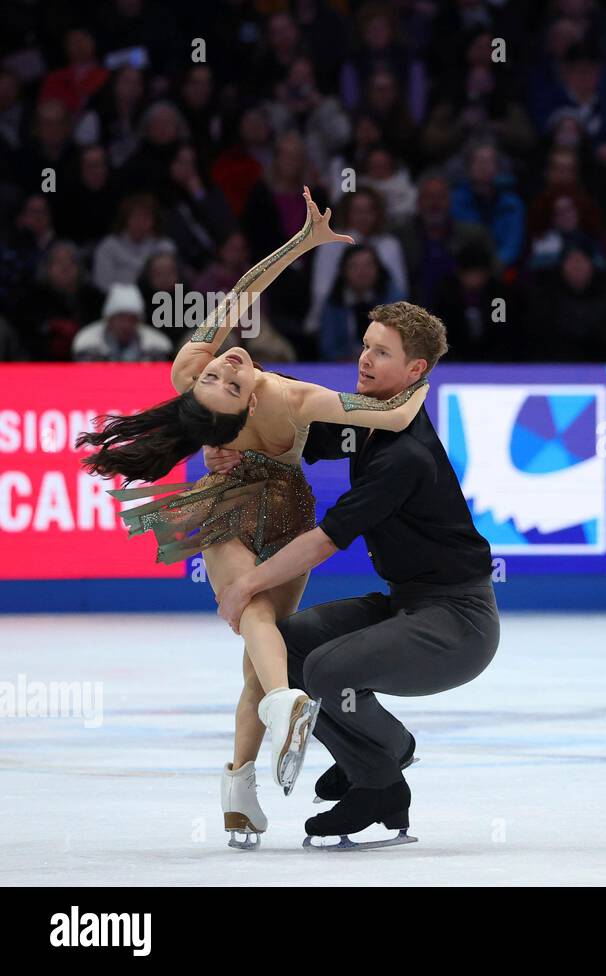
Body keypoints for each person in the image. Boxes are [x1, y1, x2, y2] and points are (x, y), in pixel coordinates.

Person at [76, 188, 434, 849]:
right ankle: (284, 705)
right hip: (227, 507)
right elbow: (392, 413)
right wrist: (421, 377)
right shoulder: (285, 396)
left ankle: (240, 788)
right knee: (259, 622)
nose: (232, 362)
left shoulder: (214, 372)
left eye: (226, 370)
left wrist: (300, 242)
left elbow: (241, 293)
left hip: (289, 512)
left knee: (255, 658)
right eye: (228, 379)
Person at [212, 301, 500, 850]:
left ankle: (381, 783)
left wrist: (246, 585)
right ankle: (381, 750)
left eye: (382, 352)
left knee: (324, 670)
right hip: (408, 603)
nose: (364, 359)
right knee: (288, 646)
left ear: (416, 371)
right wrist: (233, 454)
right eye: (366, 345)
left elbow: (325, 540)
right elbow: (289, 431)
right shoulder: (361, 422)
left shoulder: (404, 456)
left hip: (459, 623)